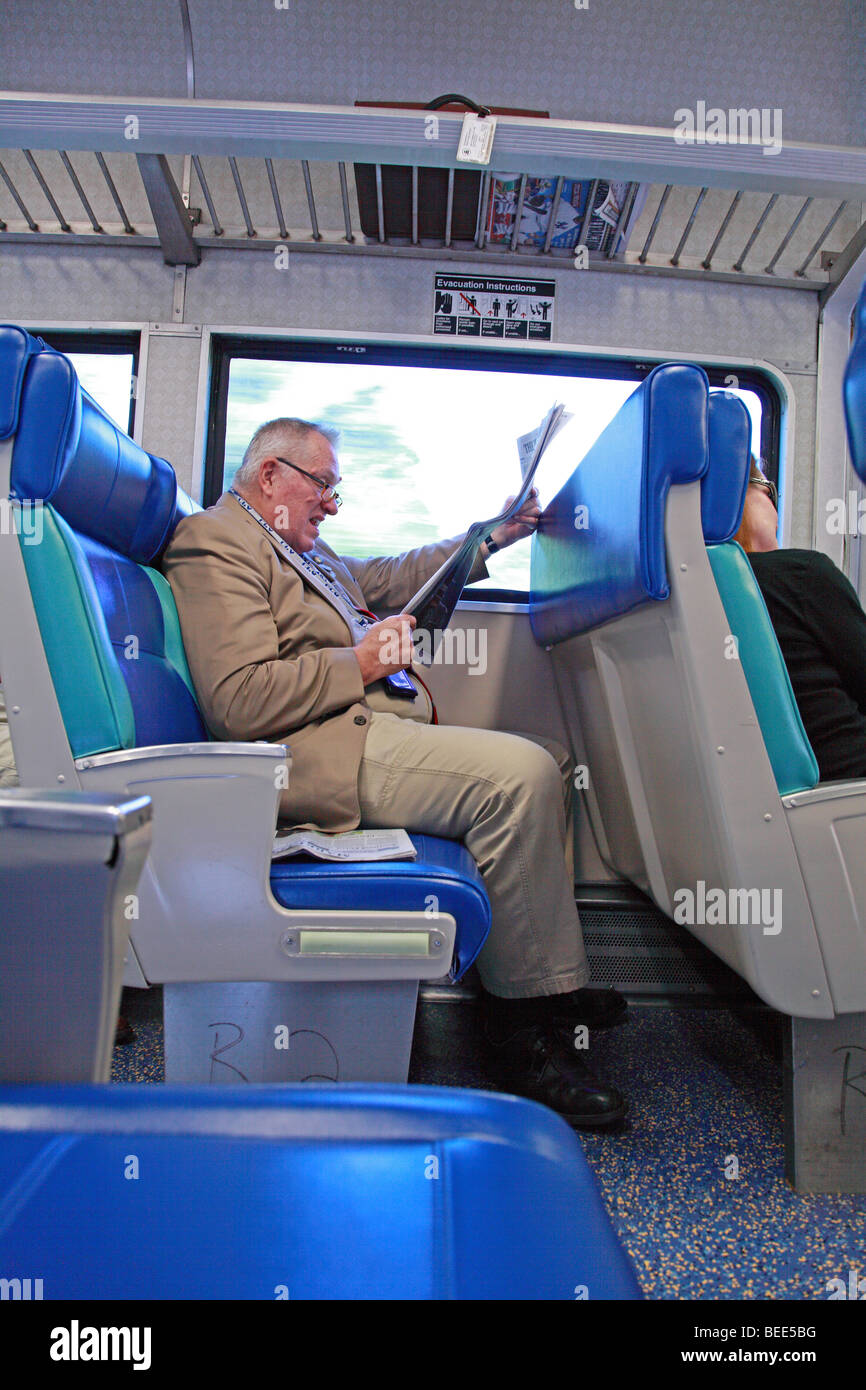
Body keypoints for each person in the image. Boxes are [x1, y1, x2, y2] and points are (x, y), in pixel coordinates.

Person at [162, 417, 629, 1128]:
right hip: (314, 752)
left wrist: (494, 533)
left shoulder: (305, 554)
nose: (332, 504)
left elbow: (394, 576)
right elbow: (239, 701)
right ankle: (522, 1034)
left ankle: (535, 974)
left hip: (359, 730)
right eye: (324, 485)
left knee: (552, 758)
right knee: (519, 776)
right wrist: (365, 662)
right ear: (269, 475)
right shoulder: (217, 542)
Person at [736, 460, 866, 781]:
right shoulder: (801, 576)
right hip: (848, 787)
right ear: (735, 495)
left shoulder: (673, 597)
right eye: (767, 490)